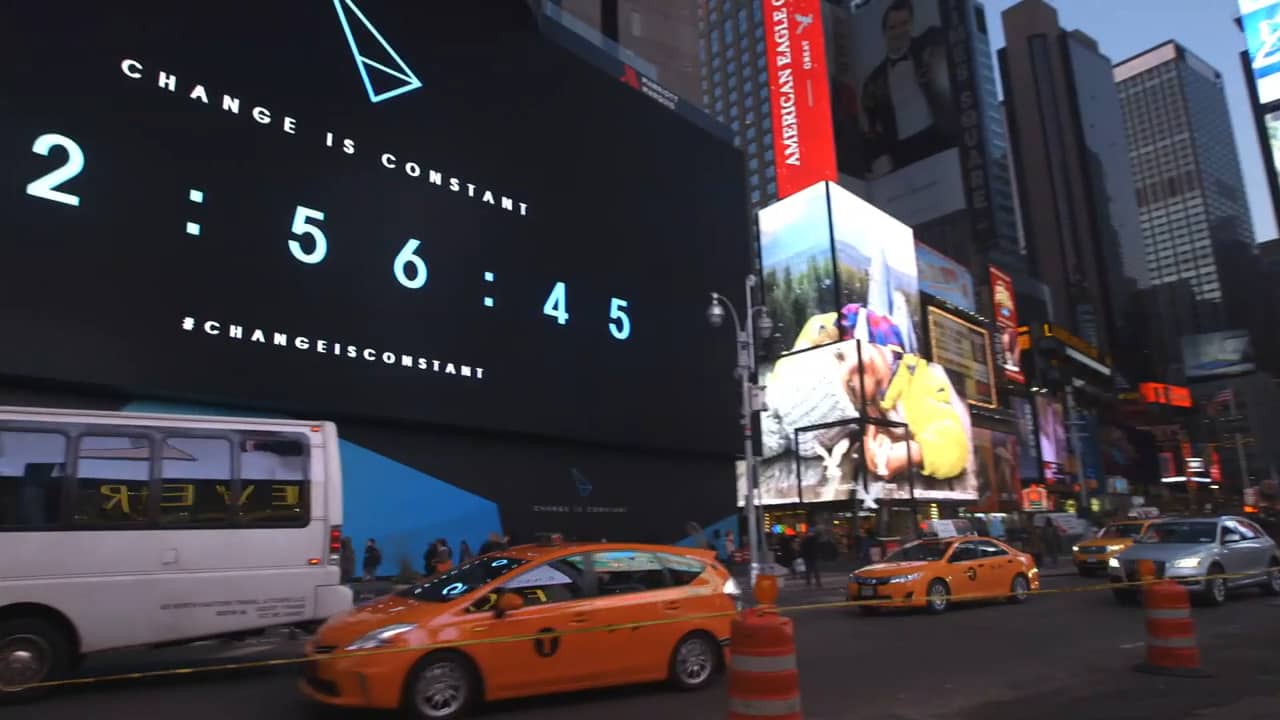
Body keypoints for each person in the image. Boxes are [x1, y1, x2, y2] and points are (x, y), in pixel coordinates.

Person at [859, 0, 955, 178]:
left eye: (904, 24)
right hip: (901, 153)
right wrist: (880, 158)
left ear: (911, 23)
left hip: (938, 138)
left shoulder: (928, 44)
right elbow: (870, 129)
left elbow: (950, 32)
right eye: (893, 27)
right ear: (884, 32)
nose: (899, 32)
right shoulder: (873, 80)